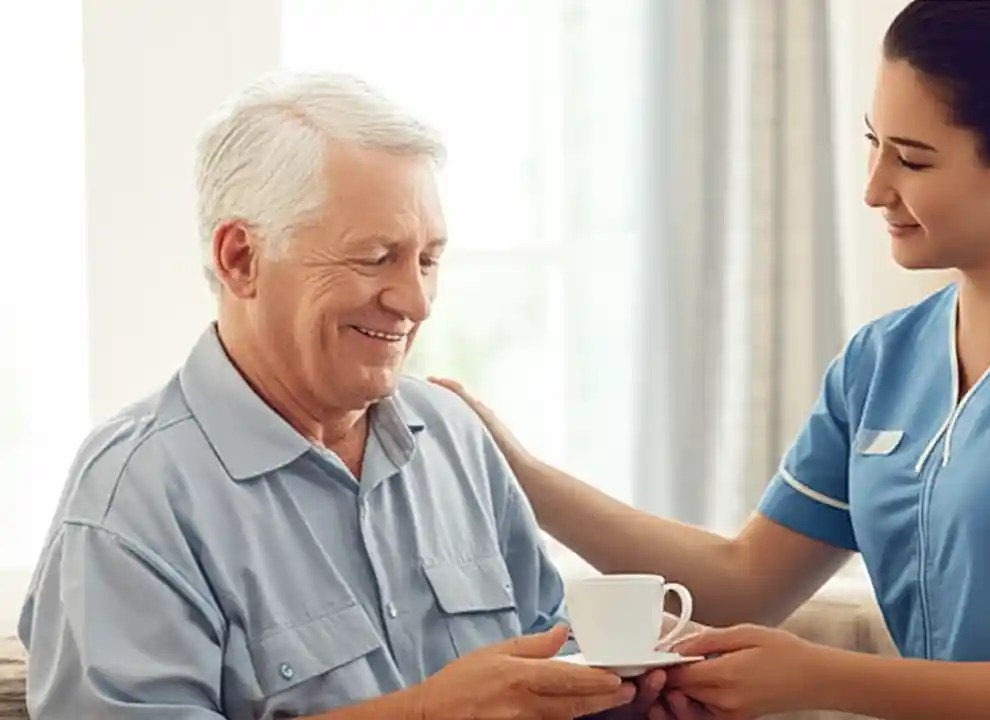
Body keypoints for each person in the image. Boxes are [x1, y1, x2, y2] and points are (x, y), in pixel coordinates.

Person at [434, 1, 990, 717]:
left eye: (913, 159)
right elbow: (744, 582)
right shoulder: (882, 360)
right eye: (873, 144)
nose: (874, 187)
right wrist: (514, 466)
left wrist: (822, 677)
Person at [18, 72, 663, 720]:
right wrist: (426, 713)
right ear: (241, 258)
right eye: (376, 258)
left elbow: (547, 653)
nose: (415, 302)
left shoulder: (454, 436)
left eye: (428, 260)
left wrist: (636, 693)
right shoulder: (134, 498)